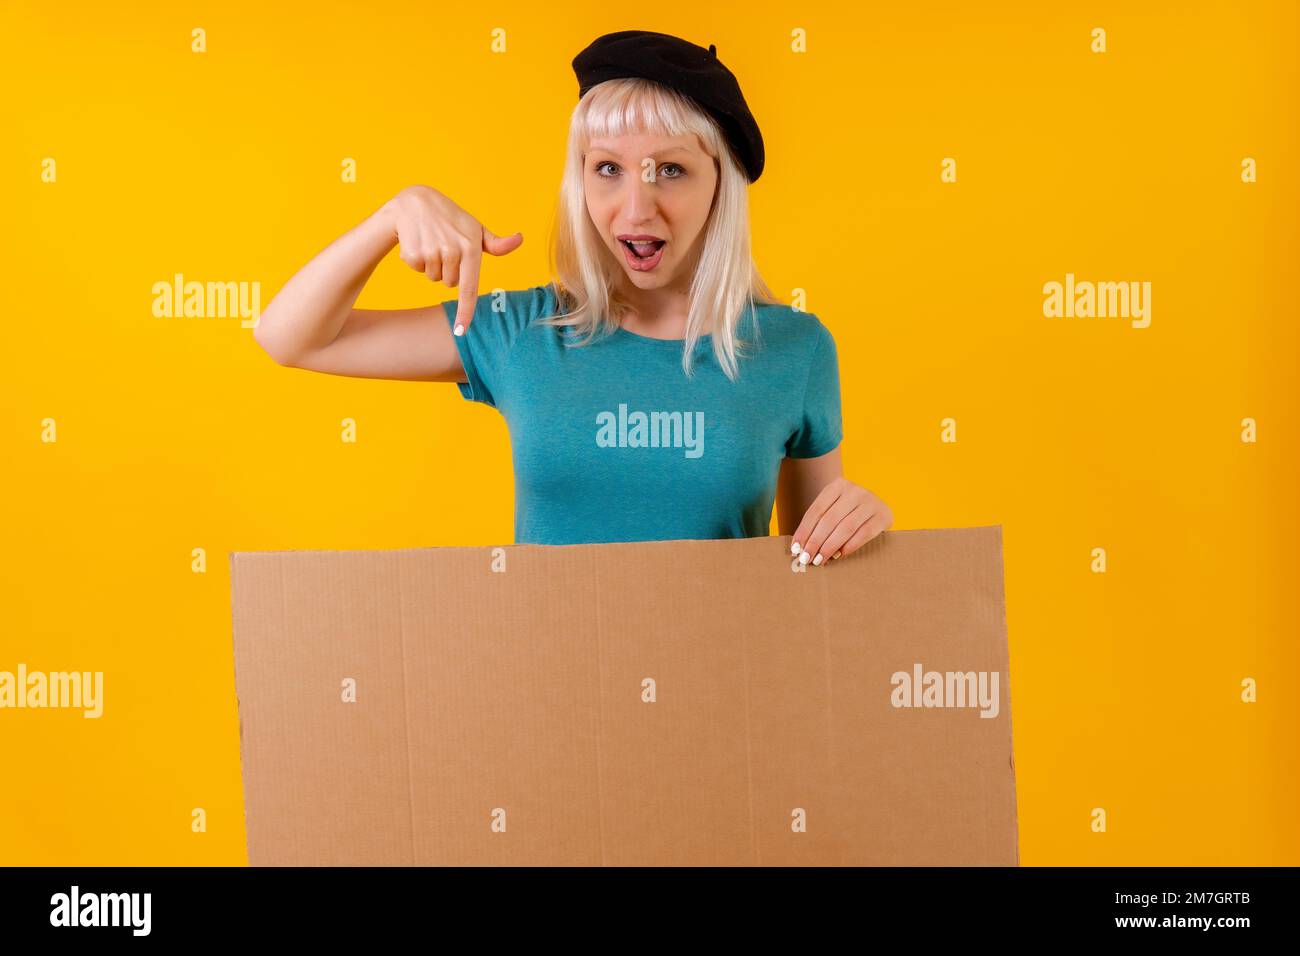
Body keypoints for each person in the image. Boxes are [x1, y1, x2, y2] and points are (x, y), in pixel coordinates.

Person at [253, 30, 892, 564]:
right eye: (607, 168)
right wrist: (392, 216)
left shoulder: (794, 349)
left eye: (669, 170)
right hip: (550, 696)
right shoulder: (521, 331)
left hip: (722, 695)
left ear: (720, 186)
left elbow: (810, 576)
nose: (635, 208)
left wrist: (860, 528)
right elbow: (290, 337)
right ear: (579, 182)